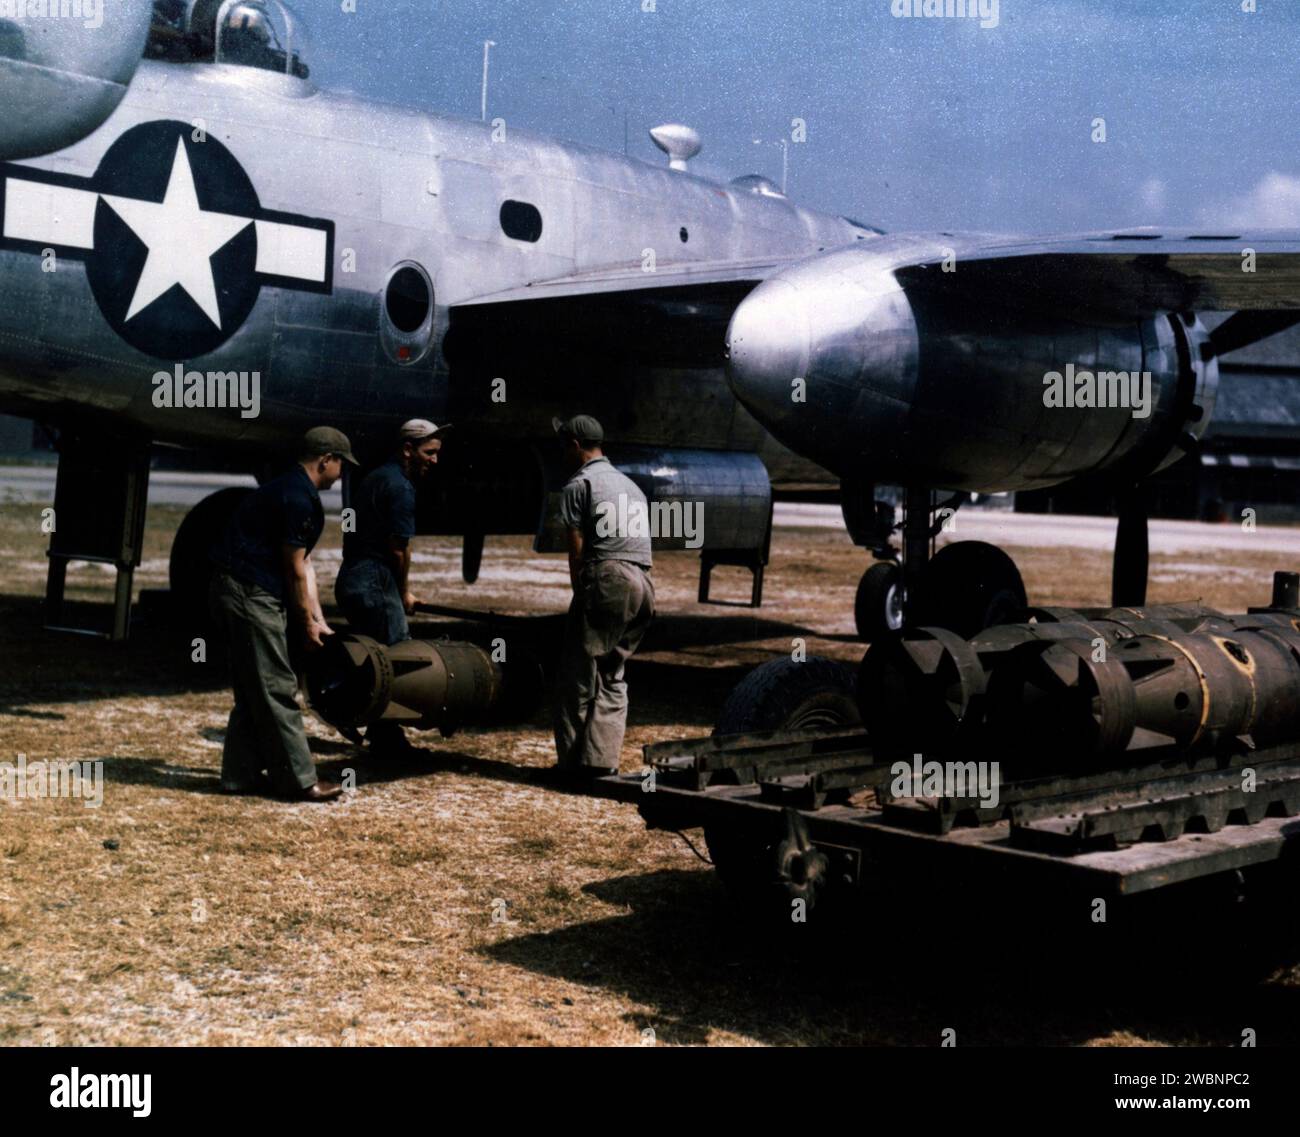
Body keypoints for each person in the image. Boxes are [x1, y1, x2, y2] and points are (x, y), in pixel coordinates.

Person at [209, 426, 358, 802]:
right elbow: (294, 569)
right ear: (326, 459)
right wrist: (306, 623)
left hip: (238, 588)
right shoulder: (298, 498)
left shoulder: (289, 488)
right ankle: (300, 780)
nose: (343, 473)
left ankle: (239, 776)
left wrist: (317, 617)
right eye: (341, 464)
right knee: (276, 686)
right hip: (249, 593)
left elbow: (303, 564)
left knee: (253, 687)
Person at [335, 418, 449, 754]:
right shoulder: (400, 488)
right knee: (398, 658)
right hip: (375, 579)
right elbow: (398, 550)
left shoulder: (373, 478)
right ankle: (385, 737)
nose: (435, 460)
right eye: (429, 453)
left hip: (353, 576)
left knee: (375, 659)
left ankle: (377, 730)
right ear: (407, 449)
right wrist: (403, 593)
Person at [551, 415, 655, 778]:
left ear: (576, 446)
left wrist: (582, 595)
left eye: (564, 445)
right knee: (613, 673)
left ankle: (570, 767)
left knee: (576, 675)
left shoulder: (580, 485)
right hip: (643, 582)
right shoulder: (631, 486)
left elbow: (577, 550)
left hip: (608, 577)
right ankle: (599, 762)